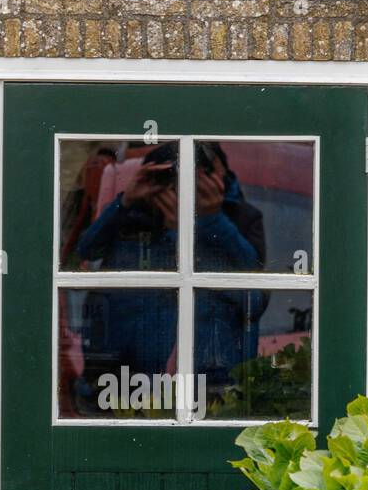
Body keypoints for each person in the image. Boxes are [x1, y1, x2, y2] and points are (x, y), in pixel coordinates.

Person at [74, 142, 267, 409]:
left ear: (212, 178)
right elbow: (84, 253)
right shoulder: (134, 214)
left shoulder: (238, 218)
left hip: (209, 383)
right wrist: (126, 201)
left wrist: (209, 222)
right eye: (166, 178)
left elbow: (254, 297)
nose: (176, 189)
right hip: (123, 379)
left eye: (190, 179)